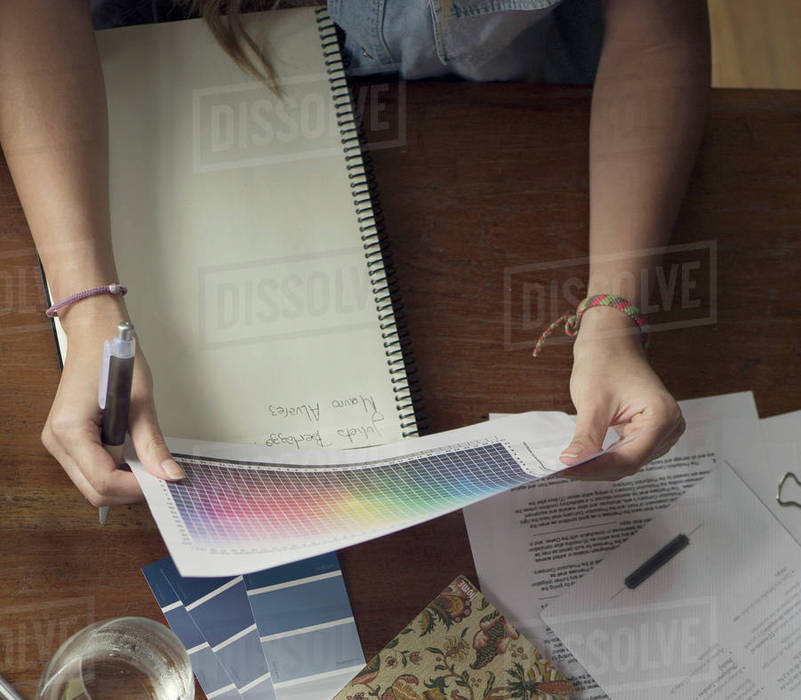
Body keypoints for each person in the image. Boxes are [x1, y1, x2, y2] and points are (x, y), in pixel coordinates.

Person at [0, 0, 709, 508]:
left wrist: (614, 318)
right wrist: (87, 309)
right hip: (148, 99)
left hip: (489, 119)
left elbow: (657, 28)